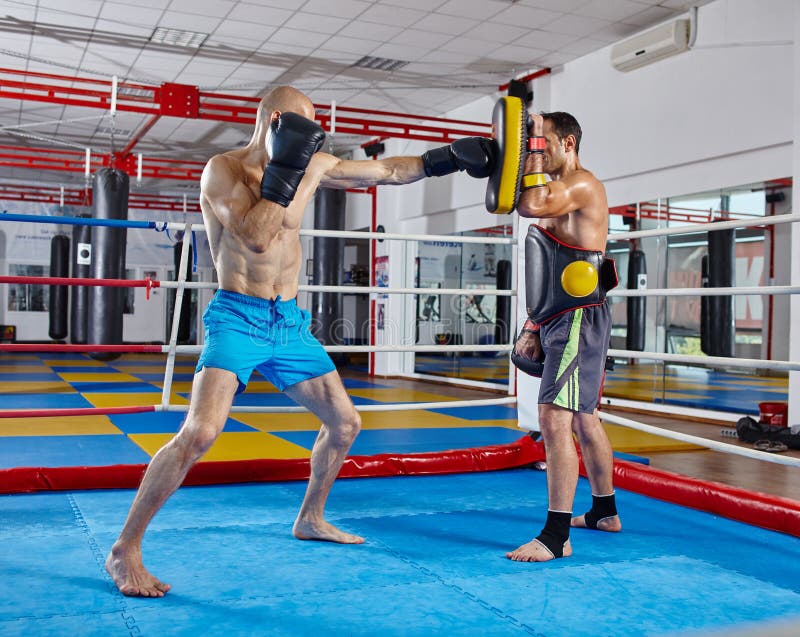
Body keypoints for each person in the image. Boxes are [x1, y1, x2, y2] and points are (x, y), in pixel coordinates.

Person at [106, 85, 496, 597]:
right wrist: (285, 168)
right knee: (200, 433)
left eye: (312, 131)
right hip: (237, 319)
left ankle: (310, 517)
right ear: (270, 123)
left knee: (346, 423)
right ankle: (124, 549)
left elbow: (389, 171)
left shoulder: (313, 162)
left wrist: (447, 158)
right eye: (297, 129)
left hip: (288, 323)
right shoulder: (222, 170)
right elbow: (257, 235)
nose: (307, 142)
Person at [507, 111, 621, 563]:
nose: (539, 150)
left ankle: (556, 536)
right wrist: (534, 323)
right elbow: (549, 265)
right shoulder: (560, 191)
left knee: (554, 417)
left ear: (568, 143)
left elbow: (530, 204)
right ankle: (604, 512)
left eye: (545, 142)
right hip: (557, 315)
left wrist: (527, 149)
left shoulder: (582, 184)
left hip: (577, 316)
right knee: (584, 418)